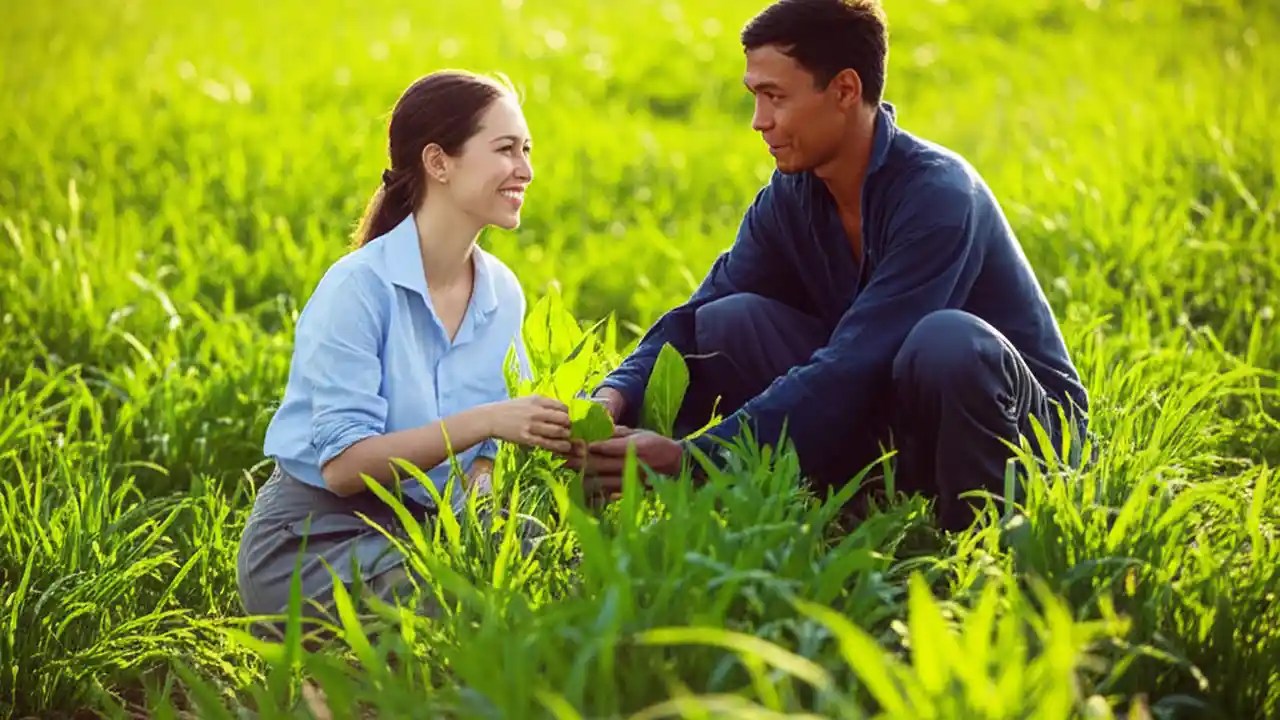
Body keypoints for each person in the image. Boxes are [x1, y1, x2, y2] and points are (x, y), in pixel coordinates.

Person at [568, 0, 1090, 531]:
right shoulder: (791, 195)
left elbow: (855, 363)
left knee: (945, 341)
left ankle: (978, 539)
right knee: (725, 322)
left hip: (1023, 435)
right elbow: (694, 314)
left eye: (775, 97)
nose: (758, 121)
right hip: (895, 412)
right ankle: (845, 505)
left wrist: (694, 459)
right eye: (754, 97)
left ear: (844, 90)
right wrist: (616, 394)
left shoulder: (938, 196)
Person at [236, 70, 574, 630]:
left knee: (558, 559)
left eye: (527, 150)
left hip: (419, 524)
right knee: (464, 600)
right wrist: (486, 420)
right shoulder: (359, 288)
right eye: (505, 149)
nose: (525, 169)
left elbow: (483, 455)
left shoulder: (502, 294)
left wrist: (482, 506)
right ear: (438, 162)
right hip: (312, 540)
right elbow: (345, 469)